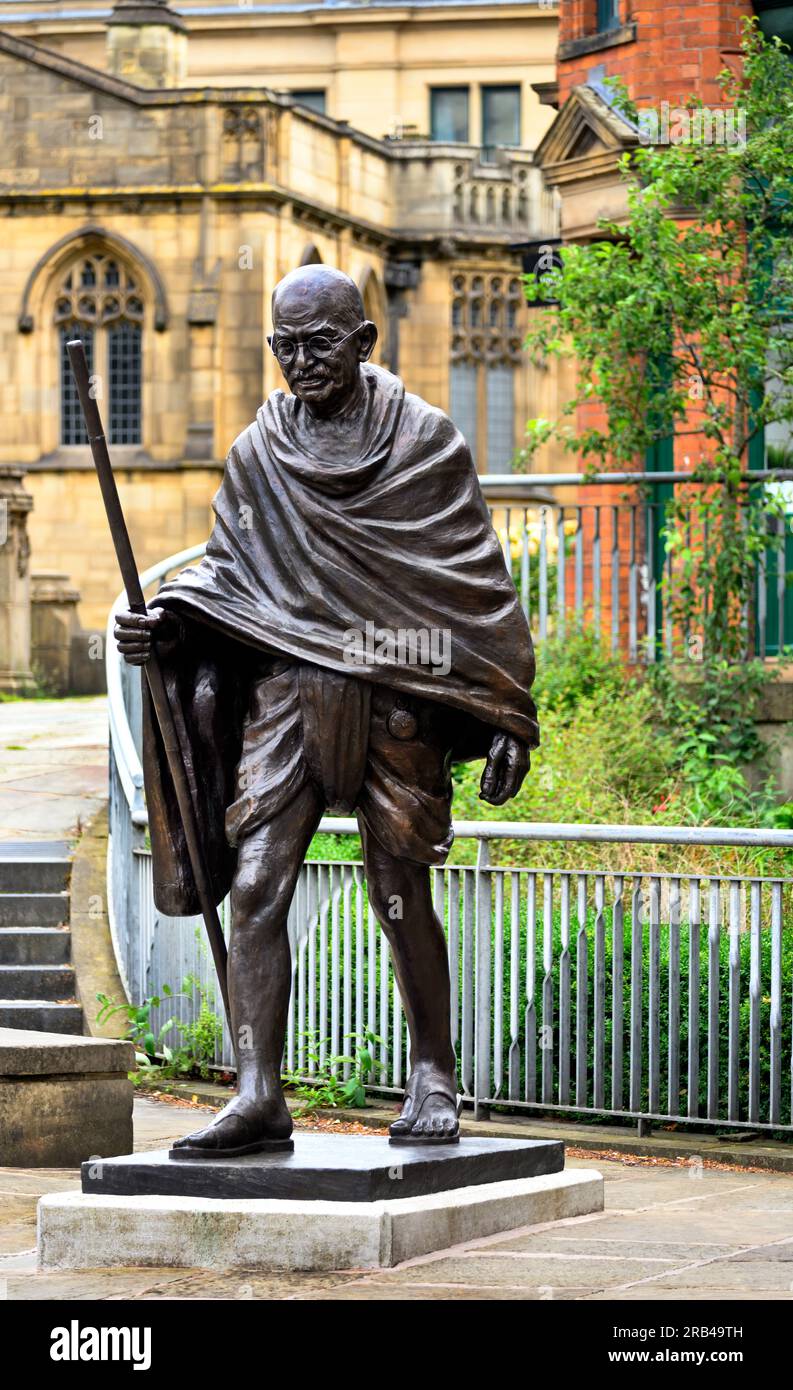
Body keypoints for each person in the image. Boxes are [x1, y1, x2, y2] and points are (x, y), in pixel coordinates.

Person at [115, 264, 539, 1152]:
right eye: (283, 346)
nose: (299, 362)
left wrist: (505, 712)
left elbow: (474, 588)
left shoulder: (425, 442)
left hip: (395, 698)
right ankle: (258, 1092)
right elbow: (227, 581)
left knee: (397, 891)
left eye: (317, 344)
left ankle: (432, 1072)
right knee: (258, 885)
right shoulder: (257, 453)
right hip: (287, 696)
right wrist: (164, 628)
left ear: (362, 342)